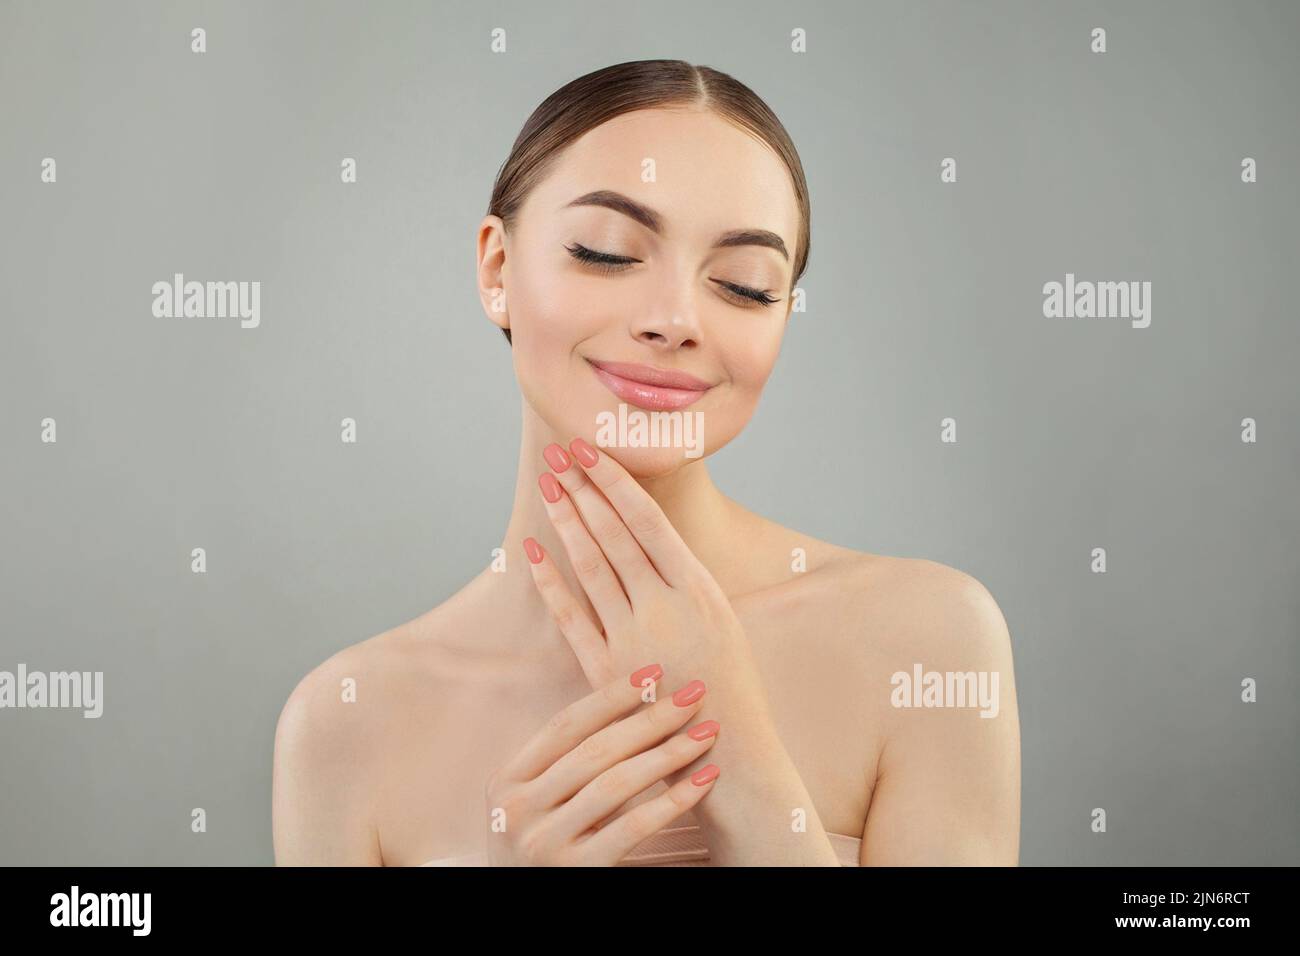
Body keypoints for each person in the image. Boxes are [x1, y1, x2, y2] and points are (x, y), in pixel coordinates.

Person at [272, 59, 1020, 866]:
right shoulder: (346, 723)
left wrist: (751, 780)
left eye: (744, 285)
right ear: (496, 269)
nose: (674, 319)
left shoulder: (927, 642)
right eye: (606, 252)